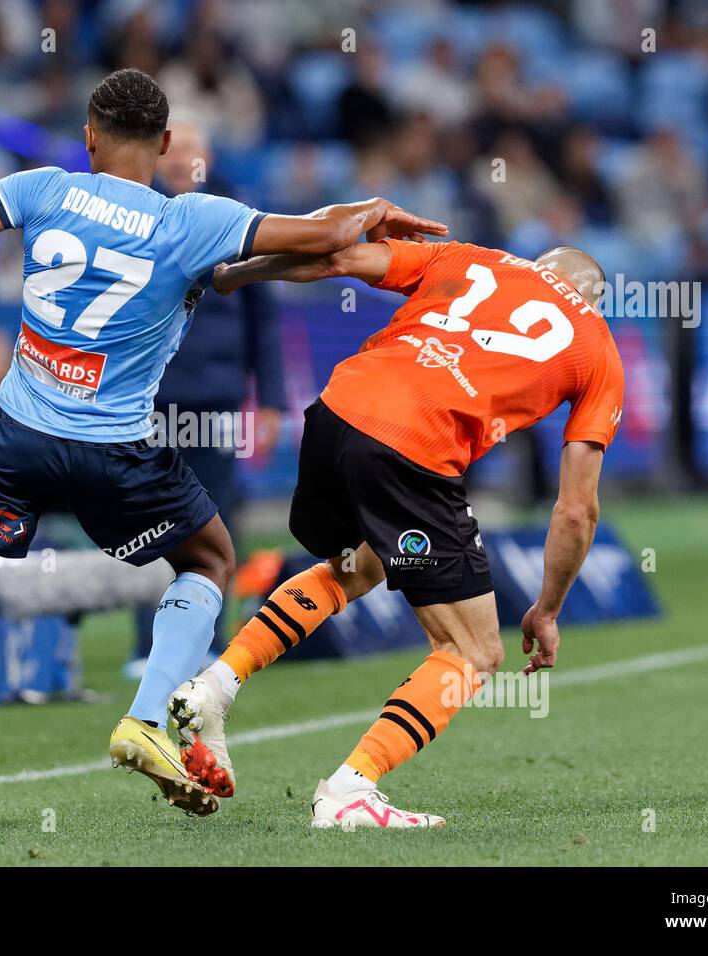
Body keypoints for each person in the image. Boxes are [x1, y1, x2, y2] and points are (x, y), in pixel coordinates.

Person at [0, 67, 446, 833]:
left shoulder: (44, 188)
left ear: (88, 137)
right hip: (115, 450)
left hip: (11, 436)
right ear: (168, 141)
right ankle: (144, 720)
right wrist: (370, 210)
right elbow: (319, 235)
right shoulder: (193, 220)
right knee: (211, 560)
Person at [169, 238, 624, 829]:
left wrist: (237, 274)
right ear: (594, 301)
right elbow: (575, 511)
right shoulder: (596, 345)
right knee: (473, 651)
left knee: (359, 565)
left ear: (539, 266)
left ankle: (215, 686)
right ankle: (348, 791)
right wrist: (548, 609)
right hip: (414, 446)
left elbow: (337, 258)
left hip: (337, 410)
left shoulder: (472, 258)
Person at [124, 118, 286, 679]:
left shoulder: (237, 219)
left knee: (217, 516)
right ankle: (146, 645)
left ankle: (212, 637)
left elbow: (265, 319)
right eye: (174, 148)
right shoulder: (136, 213)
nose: (182, 158)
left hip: (217, 400)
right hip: (149, 398)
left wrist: (270, 400)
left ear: (207, 156)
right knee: (146, 515)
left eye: (193, 147)